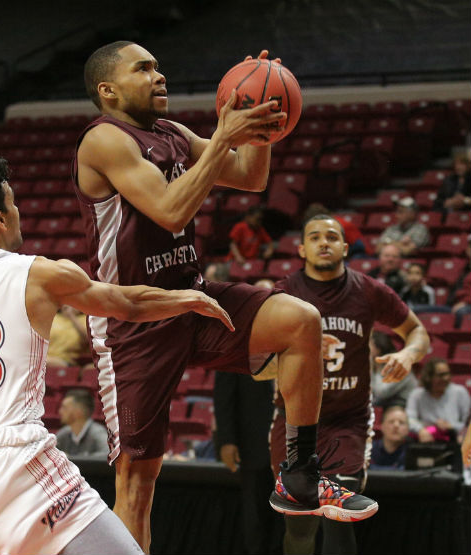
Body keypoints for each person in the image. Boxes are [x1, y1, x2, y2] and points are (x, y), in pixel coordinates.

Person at [73, 42, 375, 550]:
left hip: (192, 296)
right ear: (108, 89)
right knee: (137, 485)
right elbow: (169, 210)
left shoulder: (170, 133)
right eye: (143, 69)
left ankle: (300, 474)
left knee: (302, 320)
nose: (159, 75)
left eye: (158, 64)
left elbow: (251, 177)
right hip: (135, 318)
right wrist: (221, 139)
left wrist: (260, 124)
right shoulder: (103, 141)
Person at [0, 151, 234, 554]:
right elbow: (125, 303)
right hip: (12, 462)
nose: (17, 214)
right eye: (12, 204)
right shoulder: (37, 274)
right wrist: (183, 299)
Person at [270, 214, 430, 555]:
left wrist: (408, 355)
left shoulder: (369, 290)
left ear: (346, 246)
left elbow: (417, 332)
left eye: (331, 236)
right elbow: (256, 360)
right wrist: (300, 349)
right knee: (300, 529)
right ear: (301, 249)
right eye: (314, 237)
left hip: (348, 422)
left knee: (339, 522)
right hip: (296, 423)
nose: (323, 242)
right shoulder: (284, 294)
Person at [214, 370, 278, 555]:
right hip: (253, 442)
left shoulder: (300, 342)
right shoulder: (237, 342)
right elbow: (223, 392)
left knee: (292, 521)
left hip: (293, 443)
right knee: (255, 517)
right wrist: (226, 440)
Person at [407, 358, 470, 443]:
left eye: (447, 374)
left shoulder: (459, 392)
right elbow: (409, 418)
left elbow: (468, 425)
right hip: (425, 438)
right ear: (429, 377)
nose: (446, 378)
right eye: (441, 375)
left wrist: (451, 426)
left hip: (454, 438)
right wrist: (420, 430)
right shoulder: (417, 394)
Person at [370, 331, 417, 409]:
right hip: (391, 404)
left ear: (378, 349)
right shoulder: (378, 367)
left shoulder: (398, 365)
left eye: (369, 345)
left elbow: (381, 393)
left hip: (406, 408)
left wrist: (370, 368)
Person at [56, 388, 109, 457]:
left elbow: (108, 454)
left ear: (78, 411)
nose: (60, 411)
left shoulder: (97, 432)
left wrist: (72, 458)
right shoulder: (63, 434)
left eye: (65, 408)